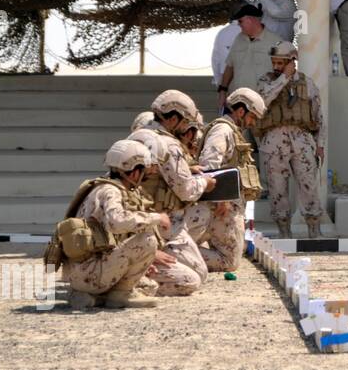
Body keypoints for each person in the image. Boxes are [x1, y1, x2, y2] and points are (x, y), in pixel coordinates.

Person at [45, 139, 170, 310]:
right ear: (134, 172)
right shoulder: (111, 191)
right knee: (147, 239)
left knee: (149, 286)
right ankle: (118, 296)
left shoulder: (101, 186)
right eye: (143, 171)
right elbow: (117, 222)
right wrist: (156, 218)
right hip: (92, 272)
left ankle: (87, 296)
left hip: (82, 272)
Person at [129, 91, 214, 293]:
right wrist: (205, 182)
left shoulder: (137, 136)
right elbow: (186, 191)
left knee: (200, 272)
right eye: (185, 122)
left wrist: (188, 169)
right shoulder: (169, 145)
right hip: (160, 223)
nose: (187, 128)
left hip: (140, 218)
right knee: (192, 280)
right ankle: (128, 279)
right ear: (174, 119)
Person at [256, 42, 325, 238]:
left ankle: (314, 231)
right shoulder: (265, 81)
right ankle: (284, 233)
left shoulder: (306, 83)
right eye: (274, 62)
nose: (276, 66)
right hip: (274, 141)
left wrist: (320, 145)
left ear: (292, 61)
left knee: (309, 185)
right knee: (277, 189)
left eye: (281, 62)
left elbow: (319, 117)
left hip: (302, 141)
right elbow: (263, 101)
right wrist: (283, 79)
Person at [191, 88, 265, 269]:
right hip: (221, 207)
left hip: (228, 206)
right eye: (252, 117)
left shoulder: (233, 132)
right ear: (241, 111)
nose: (252, 122)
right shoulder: (223, 130)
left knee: (231, 260)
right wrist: (220, 200)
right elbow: (209, 165)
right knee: (228, 261)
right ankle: (177, 253)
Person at [220, 4, 283, 103]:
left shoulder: (276, 42)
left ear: (250, 20)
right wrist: (222, 91)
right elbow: (229, 67)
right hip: (236, 103)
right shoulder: (238, 39)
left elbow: (284, 74)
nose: (239, 24)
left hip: (261, 103)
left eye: (240, 21)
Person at [210, 1, 247, 96]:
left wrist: (220, 84)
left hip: (226, 83)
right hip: (247, 82)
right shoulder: (250, 32)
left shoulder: (222, 33)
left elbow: (215, 60)